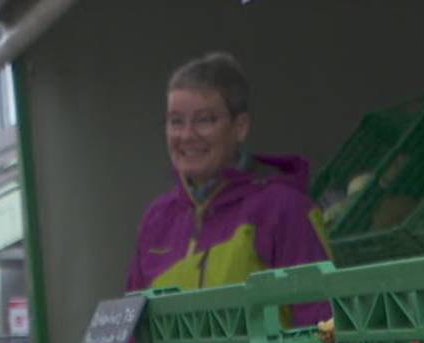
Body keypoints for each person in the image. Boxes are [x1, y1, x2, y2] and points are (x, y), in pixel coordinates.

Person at [126, 52, 331, 327]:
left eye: (204, 120)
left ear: (240, 127)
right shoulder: (157, 220)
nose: (187, 135)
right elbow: (131, 333)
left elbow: (322, 325)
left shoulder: (284, 209)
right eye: (176, 121)